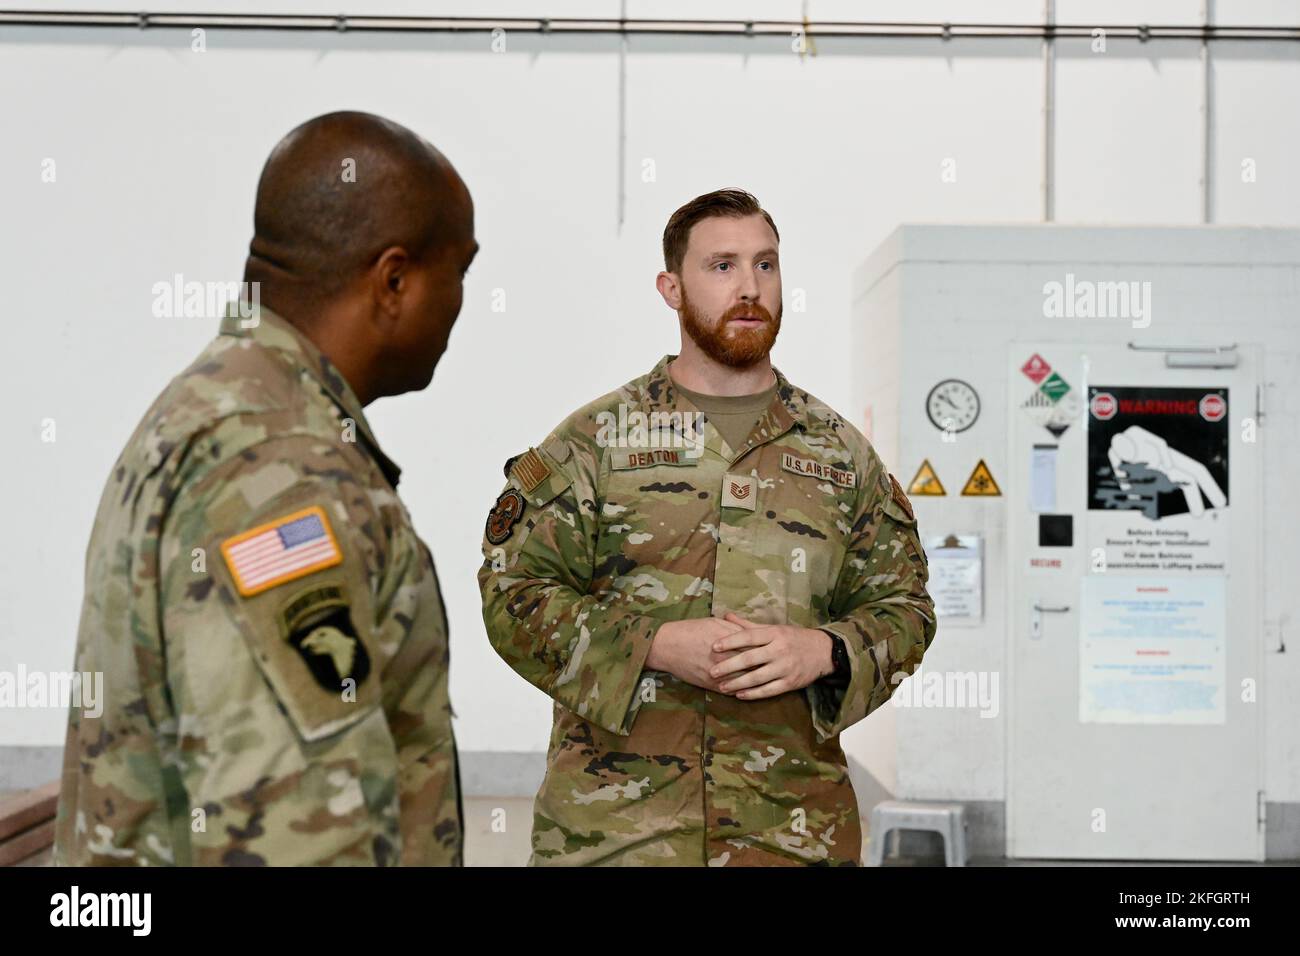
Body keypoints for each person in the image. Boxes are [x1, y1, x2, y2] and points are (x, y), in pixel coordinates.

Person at [55, 111, 477, 866]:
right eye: (461, 272)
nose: (461, 304)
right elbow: (294, 836)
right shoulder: (280, 471)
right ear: (393, 281)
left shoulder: (211, 409)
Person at [478, 187, 937, 866]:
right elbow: (513, 594)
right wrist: (654, 644)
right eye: (721, 267)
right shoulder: (595, 444)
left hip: (791, 833)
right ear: (671, 287)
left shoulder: (841, 454)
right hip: (617, 836)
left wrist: (827, 650)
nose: (749, 287)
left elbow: (906, 610)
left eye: (766, 265)